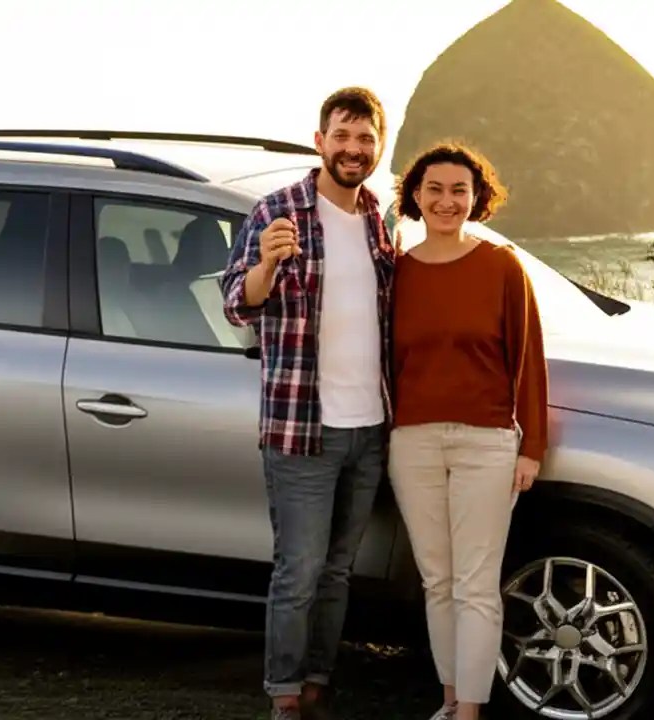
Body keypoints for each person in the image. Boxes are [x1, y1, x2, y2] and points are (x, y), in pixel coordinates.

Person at [218, 87, 397, 720]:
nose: (353, 149)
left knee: (338, 572)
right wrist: (266, 264)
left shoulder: (379, 218)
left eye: (365, 138)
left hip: (370, 429)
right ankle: (285, 696)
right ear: (320, 141)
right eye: (342, 137)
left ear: (378, 145)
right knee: (298, 571)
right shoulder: (278, 211)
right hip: (302, 429)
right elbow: (237, 302)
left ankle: (319, 681)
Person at [387, 142, 549, 720]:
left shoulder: (502, 267)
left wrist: (531, 447)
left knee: (476, 585)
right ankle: (450, 698)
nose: (446, 201)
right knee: (438, 582)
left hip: (486, 443)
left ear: (477, 198)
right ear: (416, 196)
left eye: (459, 190)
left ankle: (471, 711)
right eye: (434, 189)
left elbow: (529, 360)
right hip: (412, 443)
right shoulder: (397, 273)